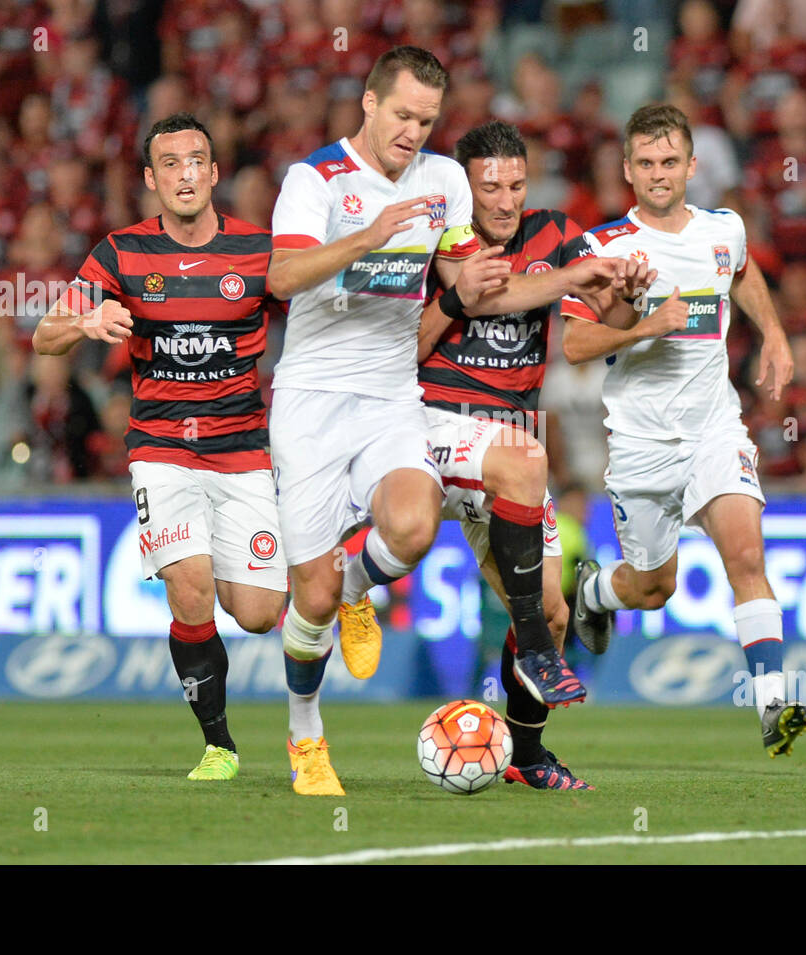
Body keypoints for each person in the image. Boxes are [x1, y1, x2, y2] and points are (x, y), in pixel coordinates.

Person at [267, 47, 624, 795]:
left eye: (426, 120)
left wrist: (558, 277)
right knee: (310, 598)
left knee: (413, 524)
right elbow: (281, 276)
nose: (412, 132)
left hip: (394, 398)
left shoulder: (440, 182)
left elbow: (473, 284)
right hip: (312, 402)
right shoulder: (315, 180)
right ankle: (305, 731)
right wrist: (370, 236)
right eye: (402, 115)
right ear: (368, 103)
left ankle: (368, 586)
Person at [33, 112, 287, 782]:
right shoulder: (120, 252)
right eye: (169, 163)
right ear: (150, 178)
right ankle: (219, 744)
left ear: (214, 171)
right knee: (190, 587)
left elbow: (317, 313)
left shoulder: (259, 251)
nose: (185, 174)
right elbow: (43, 336)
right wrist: (86, 320)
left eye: (196, 160)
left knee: (258, 613)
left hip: (241, 448)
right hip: (161, 446)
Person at [564, 104, 806, 758]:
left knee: (747, 557)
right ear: (626, 170)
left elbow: (743, 270)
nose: (658, 174)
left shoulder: (722, 231)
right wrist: (646, 324)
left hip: (713, 430)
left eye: (669, 161)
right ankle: (594, 589)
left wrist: (775, 334)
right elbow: (574, 343)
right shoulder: (603, 248)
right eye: (645, 163)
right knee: (652, 587)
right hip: (641, 446)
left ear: (692, 165)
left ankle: (773, 707)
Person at [410, 120, 638, 790]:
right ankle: (354, 586)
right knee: (402, 538)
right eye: (490, 186)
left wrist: (625, 290)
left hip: (510, 451)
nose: (506, 199)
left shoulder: (553, 233)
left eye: (516, 183)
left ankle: (527, 756)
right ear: (463, 187)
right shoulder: (434, 243)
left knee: (553, 609)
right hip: (434, 425)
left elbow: (606, 321)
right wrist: (456, 298)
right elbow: (407, 350)